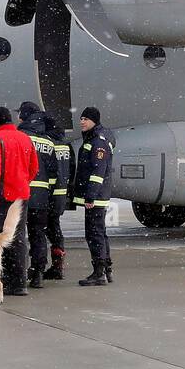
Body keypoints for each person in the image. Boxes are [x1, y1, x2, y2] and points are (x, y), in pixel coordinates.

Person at [0, 106, 38, 296]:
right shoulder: (25, 138)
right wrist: (22, 184)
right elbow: (33, 168)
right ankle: (19, 282)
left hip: (1, 196)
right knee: (17, 237)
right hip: (21, 196)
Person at [73, 107, 114, 286]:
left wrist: (90, 196)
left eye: (85, 119)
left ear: (94, 121)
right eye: (81, 118)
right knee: (100, 232)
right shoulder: (93, 138)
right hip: (96, 196)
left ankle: (99, 273)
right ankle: (106, 269)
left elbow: (98, 171)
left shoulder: (98, 142)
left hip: (95, 198)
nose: (82, 121)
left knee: (94, 233)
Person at [18, 102, 55, 288]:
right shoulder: (48, 141)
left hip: (21, 194)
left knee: (18, 235)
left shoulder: (21, 137)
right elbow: (54, 173)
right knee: (38, 234)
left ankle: (18, 272)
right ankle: (38, 271)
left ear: (23, 117)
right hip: (41, 197)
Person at [41, 112, 71, 280]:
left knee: (42, 231)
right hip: (61, 194)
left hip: (49, 193)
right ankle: (58, 264)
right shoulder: (65, 144)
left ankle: (43, 265)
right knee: (55, 230)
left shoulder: (49, 143)